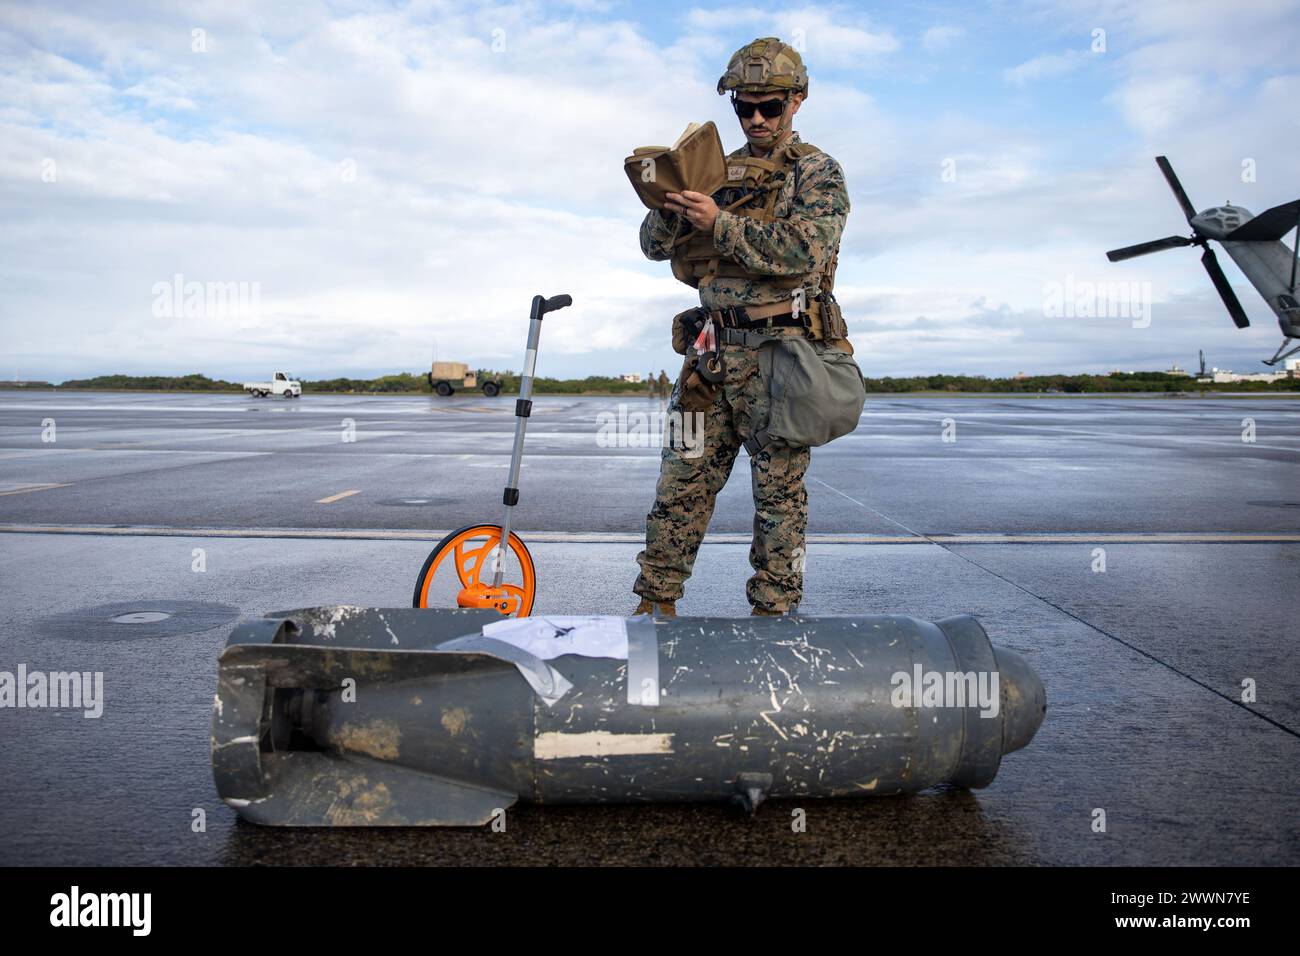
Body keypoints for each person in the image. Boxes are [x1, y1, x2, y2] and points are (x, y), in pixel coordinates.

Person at [631, 37, 850, 618]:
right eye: (744, 107)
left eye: (769, 107)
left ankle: (773, 619)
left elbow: (805, 251)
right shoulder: (711, 172)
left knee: (779, 500)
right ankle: (654, 609)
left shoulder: (817, 173)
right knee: (678, 489)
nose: (755, 119)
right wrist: (670, 207)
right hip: (709, 358)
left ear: (796, 101)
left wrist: (720, 224)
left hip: (781, 359)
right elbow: (653, 248)